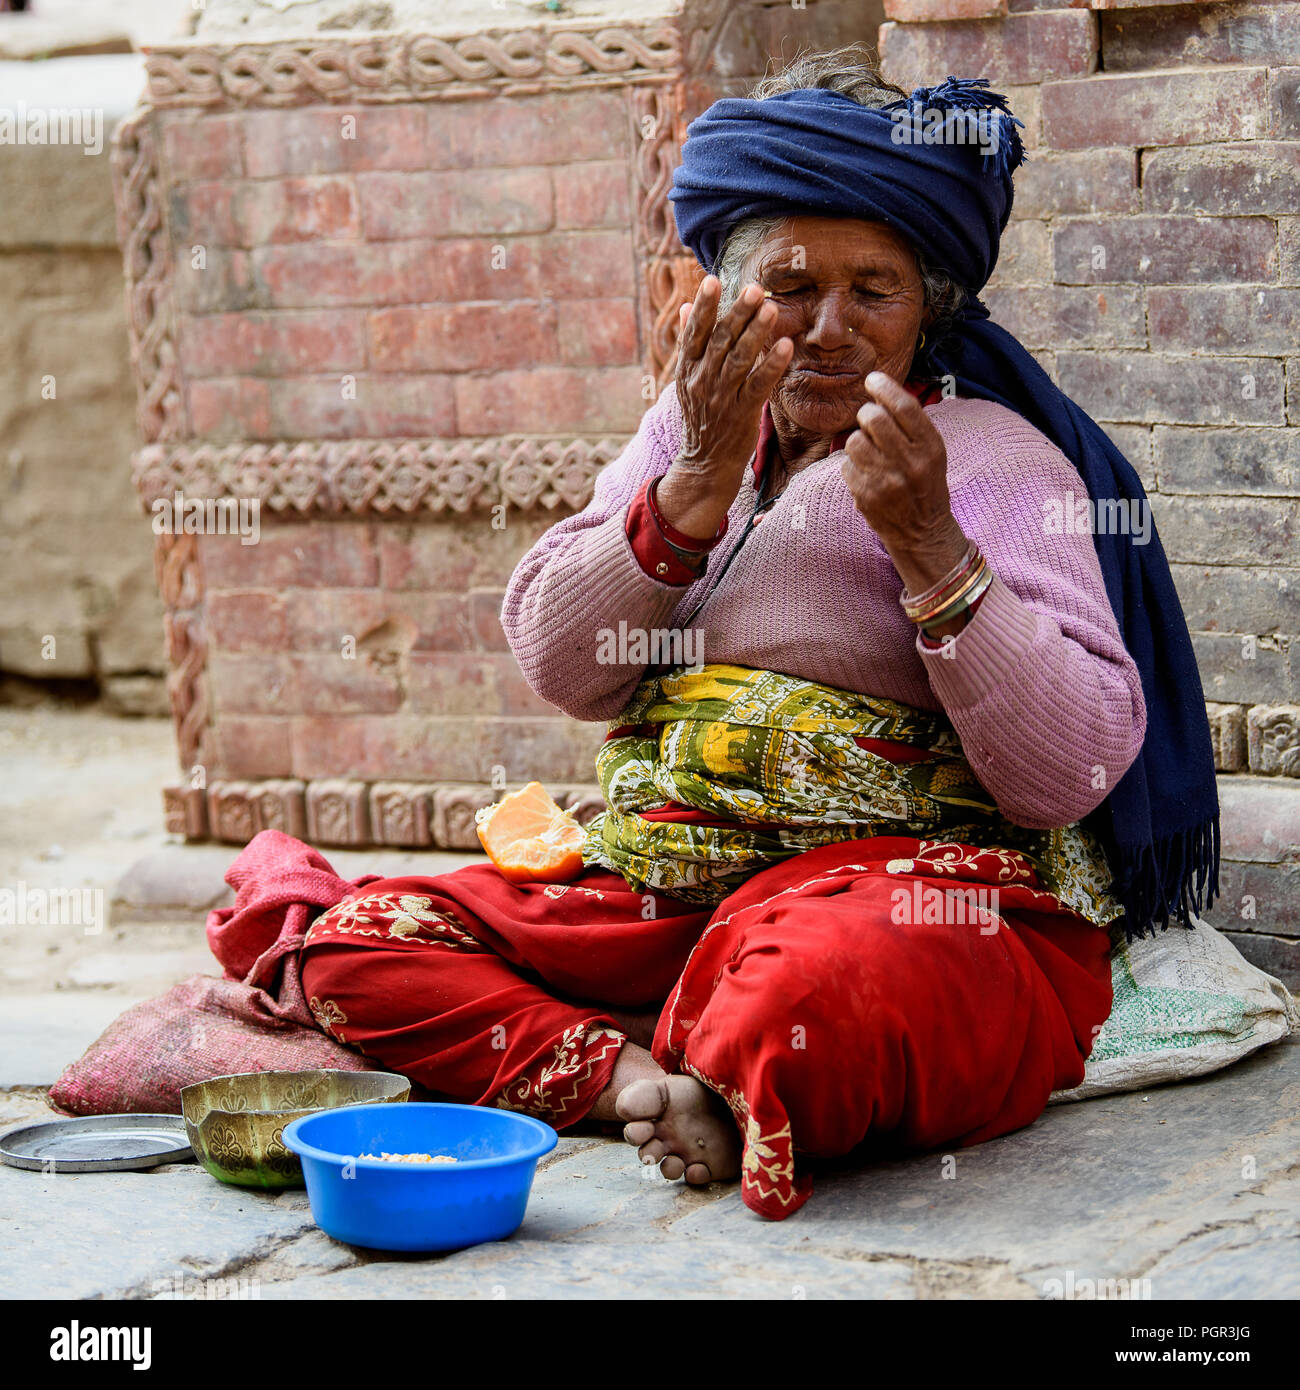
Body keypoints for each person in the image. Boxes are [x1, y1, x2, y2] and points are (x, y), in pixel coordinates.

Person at [292, 48, 1219, 1219]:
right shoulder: (687, 431)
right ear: (728, 298)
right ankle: (638, 1077)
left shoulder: (992, 459)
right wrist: (689, 487)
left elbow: (1070, 766)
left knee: (808, 993)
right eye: (789, 287)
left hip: (895, 896)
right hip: (664, 886)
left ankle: (727, 1066)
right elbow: (561, 664)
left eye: (872, 290)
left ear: (924, 308)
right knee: (358, 942)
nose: (828, 329)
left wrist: (932, 548)